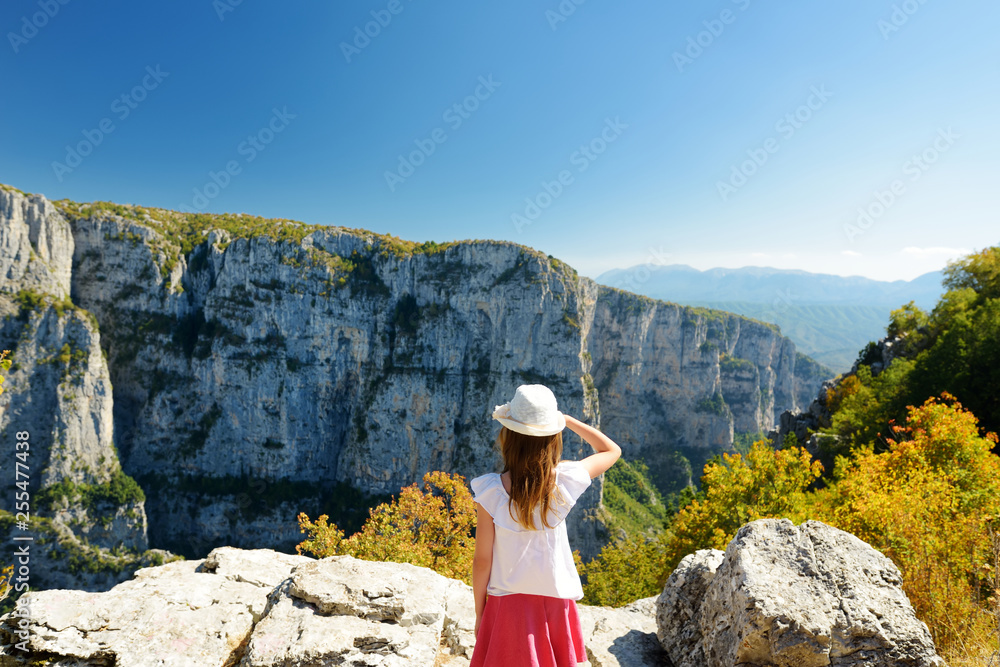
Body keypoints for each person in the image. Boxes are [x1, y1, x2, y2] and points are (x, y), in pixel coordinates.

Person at [469, 383, 622, 666]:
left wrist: (480, 613)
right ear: (553, 438)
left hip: (506, 606)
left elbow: (482, 560)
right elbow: (611, 450)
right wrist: (567, 421)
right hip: (557, 604)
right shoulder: (565, 480)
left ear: (508, 437)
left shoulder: (491, 492)